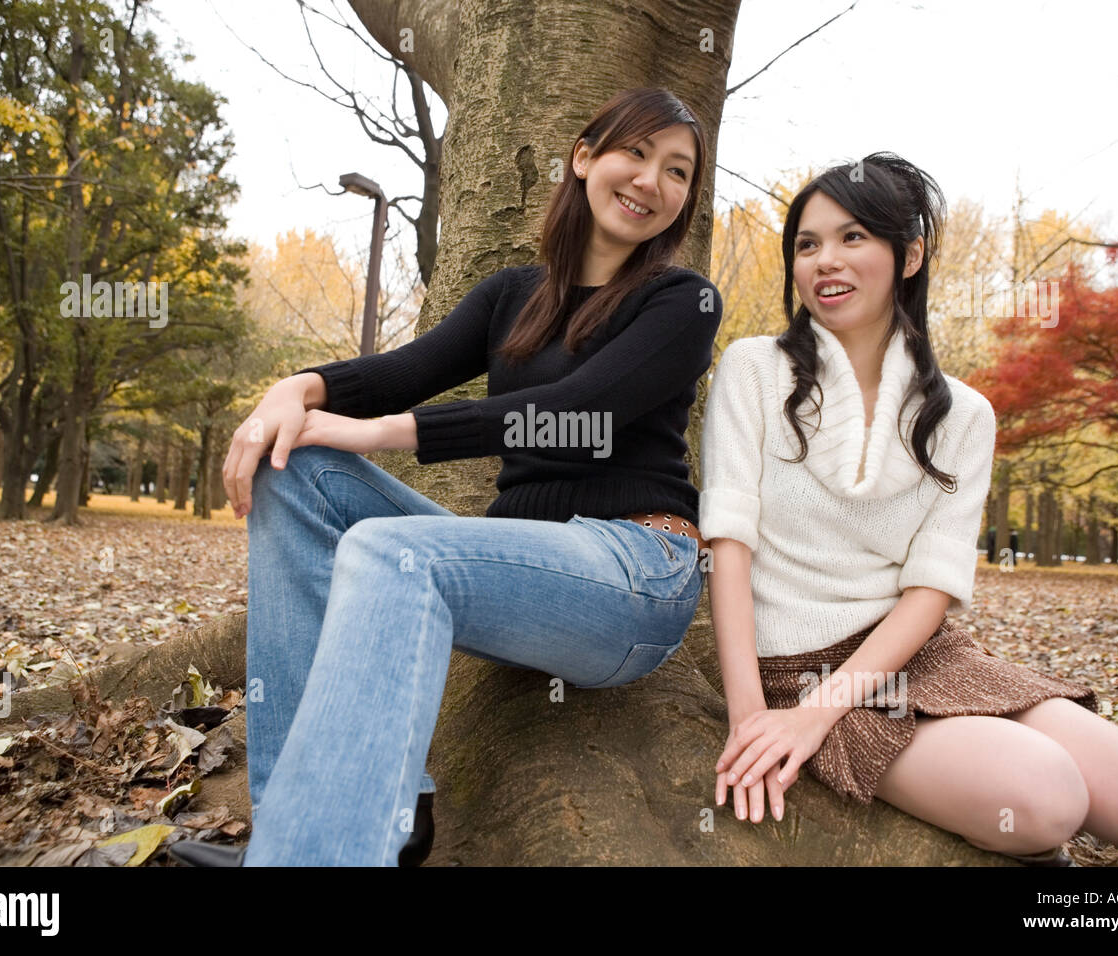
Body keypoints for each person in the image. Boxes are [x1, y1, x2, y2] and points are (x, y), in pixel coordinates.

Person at [169, 87, 723, 866]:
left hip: (634, 573)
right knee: (292, 470)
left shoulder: (682, 302)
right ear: (584, 157)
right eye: (635, 153)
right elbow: (397, 372)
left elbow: (573, 412)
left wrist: (375, 434)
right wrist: (292, 389)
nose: (651, 181)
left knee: (394, 551)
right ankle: (315, 823)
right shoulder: (511, 295)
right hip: (516, 573)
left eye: (677, 171)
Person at [699, 152, 1118, 866]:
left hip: (923, 657)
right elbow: (728, 548)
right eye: (806, 245)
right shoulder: (751, 370)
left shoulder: (965, 414)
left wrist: (825, 710)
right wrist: (757, 719)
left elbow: (931, 589)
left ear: (909, 256)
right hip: (798, 668)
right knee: (1046, 800)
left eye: (852, 238)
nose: (824, 261)